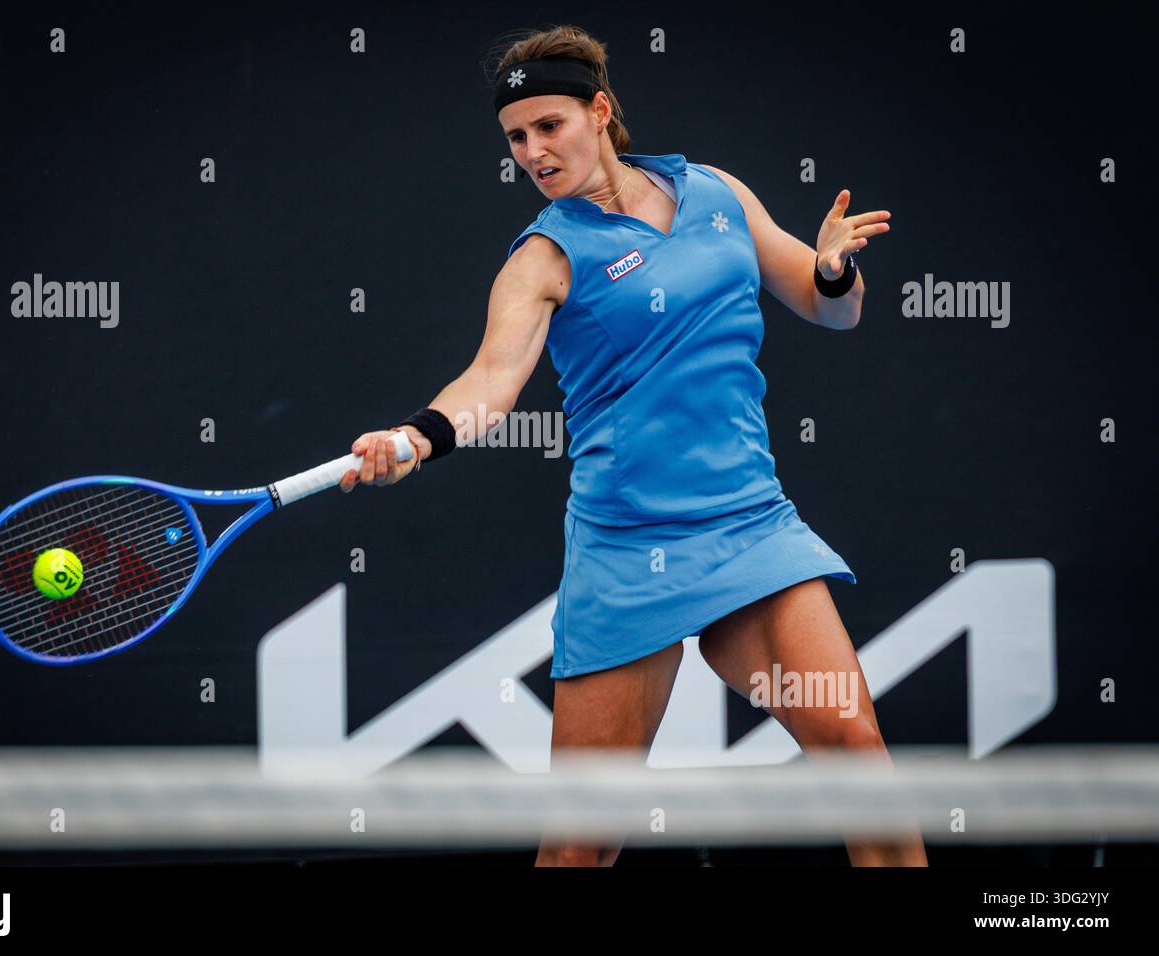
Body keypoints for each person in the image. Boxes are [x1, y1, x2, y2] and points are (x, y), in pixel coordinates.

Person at [340, 24, 925, 867]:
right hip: (627, 550)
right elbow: (490, 386)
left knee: (859, 752)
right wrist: (414, 437)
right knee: (582, 845)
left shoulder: (718, 195)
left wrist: (834, 269)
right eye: (516, 137)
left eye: (550, 126)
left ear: (600, 111)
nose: (534, 151)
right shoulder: (544, 256)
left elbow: (832, 306)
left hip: (750, 528)